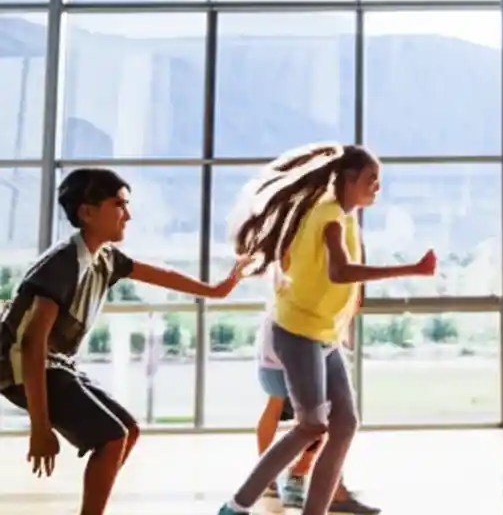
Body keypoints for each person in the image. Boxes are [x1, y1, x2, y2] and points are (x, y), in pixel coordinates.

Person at [0, 168, 250, 515]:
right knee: (112, 436)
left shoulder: (104, 257)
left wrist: (215, 290)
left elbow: (161, 274)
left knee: (127, 430)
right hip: (23, 366)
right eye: (119, 205)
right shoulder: (62, 263)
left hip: (55, 362)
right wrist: (40, 428)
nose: (128, 215)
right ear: (87, 212)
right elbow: (30, 344)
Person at [219, 144, 437, 515]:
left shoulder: (342, 214)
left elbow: (329, 278)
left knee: (345, 423)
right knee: (310, 425)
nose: (377, 188)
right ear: (349, 180)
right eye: (371, 180)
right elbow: (340, 271)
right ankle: (236, 506)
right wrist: (410, 270)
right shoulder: (330, 216)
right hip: (299, 332)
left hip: (323, 335)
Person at [255, 309, 379, 513]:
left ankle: (283, 478)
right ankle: (323, 487)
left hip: (278, 357)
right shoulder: (308, 295)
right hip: (290, 354)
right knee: (326, 421)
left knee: (318, 421)